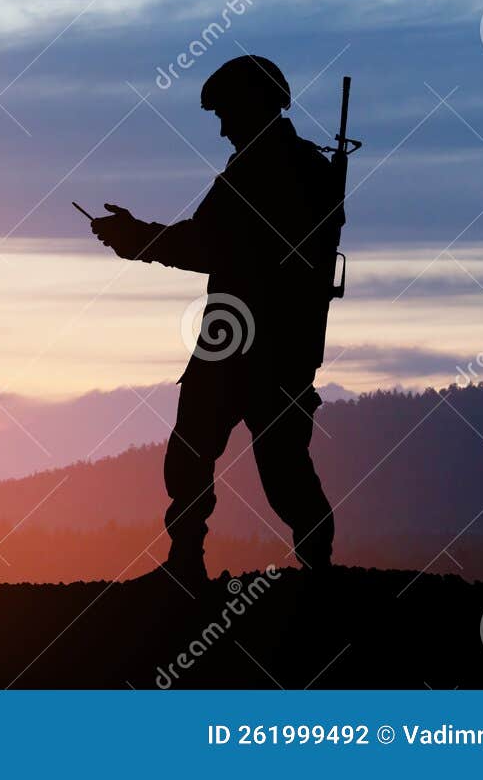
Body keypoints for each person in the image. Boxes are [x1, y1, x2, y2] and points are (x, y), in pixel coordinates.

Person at [88, 55, 339, 585]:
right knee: (280, 466)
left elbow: (208, 244)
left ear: (255, 105)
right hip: (281, 345)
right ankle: (319, 576)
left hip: (242, 342)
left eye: (226, 112)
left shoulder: (260, 170)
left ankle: (189, 567)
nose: (222, 127)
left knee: (204, 455)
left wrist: (138, 238)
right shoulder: (304, 168)